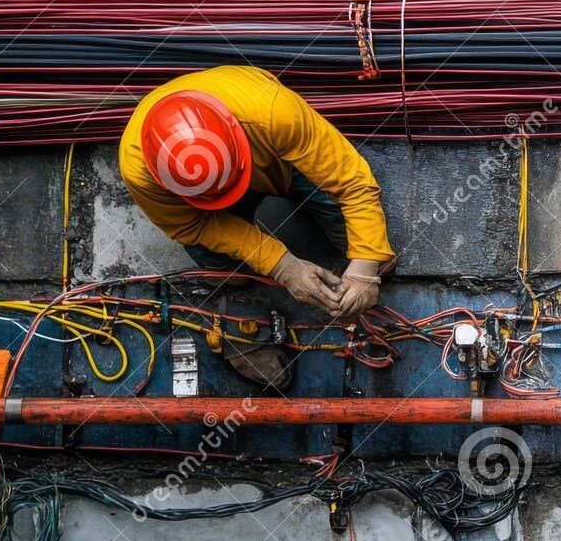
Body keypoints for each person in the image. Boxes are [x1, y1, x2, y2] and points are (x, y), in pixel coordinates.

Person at [119, 66, 394, 387]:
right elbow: (193, 226)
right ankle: (239, 313)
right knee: (219, 267)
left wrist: (364, 268)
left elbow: (352, 182)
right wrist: (282, 265)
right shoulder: (139, 169)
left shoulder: (274, 112)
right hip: (200, 203)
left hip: (280, 163)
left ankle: (366, 259)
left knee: (374, 253)